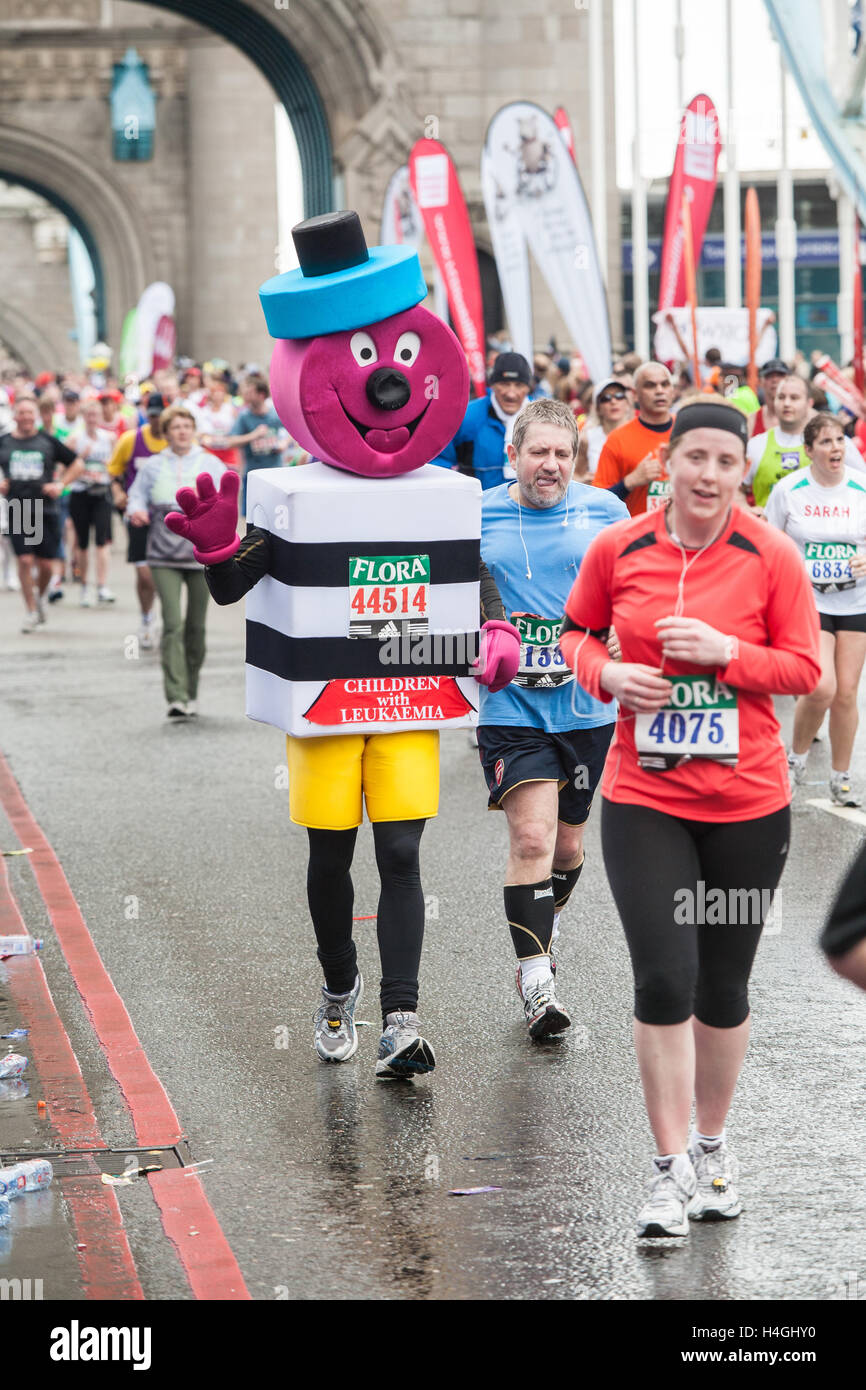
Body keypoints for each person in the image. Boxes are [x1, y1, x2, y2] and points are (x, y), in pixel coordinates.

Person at [561, 398, 821, 1238]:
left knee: (722, 983)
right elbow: (575, 634)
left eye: (724, 461)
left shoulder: (771, 555)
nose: (708, 475)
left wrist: (730, 656)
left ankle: (714, 1148)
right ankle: (668, 1170)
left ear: (743, 470)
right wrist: (606, 677)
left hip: (749, 805)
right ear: (664, 461)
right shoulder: (618, 547)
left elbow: (807, 669)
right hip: (646, 801)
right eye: (693, 458)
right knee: (665, 978)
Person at [478, 398, 627, 1037]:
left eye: (562, 453)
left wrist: (625, 632)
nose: (551, 464)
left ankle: (544, 920)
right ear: (513, 454)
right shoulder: (477, 512)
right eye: (538, 451)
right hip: (510, 703)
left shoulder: (606, 511)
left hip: (587, 706)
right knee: (533, 839)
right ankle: (539, 985)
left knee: (568, 844)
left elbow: (634, 585)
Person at [766, 412, 866, 806]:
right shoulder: (791, 490)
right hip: (809, 599)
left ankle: (841, 778)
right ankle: (796, 760)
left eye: (840, 440)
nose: (835, 448)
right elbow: (769, 543)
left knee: (846, 693)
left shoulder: (861, 487)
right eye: (825, 442)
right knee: (821, 686)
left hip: (856, 600)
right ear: (808, 451)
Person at [126, 405, 225, 718]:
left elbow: (227, 499)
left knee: (196, 626)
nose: (182, 431)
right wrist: (136, 510)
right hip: (163, 552)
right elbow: (136, 495)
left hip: (201, 554)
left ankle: (192, 690)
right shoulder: (154, 465)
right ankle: (176, 696)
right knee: (172, 624)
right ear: (166, 433)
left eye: (186, 426)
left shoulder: (210, 462)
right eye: (176, 427)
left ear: (193, 430)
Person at [0, 396, 83, 632]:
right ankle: (30, 610)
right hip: (19, 508)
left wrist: (60, 485)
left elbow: (77, 464)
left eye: (30, 413)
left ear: (35, 416)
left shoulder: (47, 441)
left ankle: (40, 595)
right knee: (25, 560)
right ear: (14, 416)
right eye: (21, 412)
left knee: (46, 565)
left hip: (44, 508)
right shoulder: (4, 442)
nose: (26, 417)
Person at [743, 374, 865, 509]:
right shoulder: (756, 445)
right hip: (768, 528)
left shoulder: (838, 443)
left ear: (809, 403)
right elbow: (736, 489)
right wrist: (747, 508)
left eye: (794, 398)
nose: (787, 403)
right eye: (781, 397)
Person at [108, 392, 168, 649]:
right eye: (151, 415)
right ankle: (147, 618)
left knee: (161, 572)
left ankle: (164, 620)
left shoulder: (174, 441)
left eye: (159, 415)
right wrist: (119, 493)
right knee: (145, 575)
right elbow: (113, 472)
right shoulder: (130, 440)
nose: (155, 420)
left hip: (168, 517)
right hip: (138, 515)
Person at [431, 352, 538, 489]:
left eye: (518, 385)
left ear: (528, 388)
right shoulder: (467, 417)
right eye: (504, 384)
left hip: (526, 508)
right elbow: (439, 460)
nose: (511, 393)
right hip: (477, 505)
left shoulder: (541, 421)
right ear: (492, 385)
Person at [593, 361, 674, 515]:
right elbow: (598, 502)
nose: (659, 391)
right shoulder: (617, 440)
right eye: (650, 385)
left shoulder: (687, 431)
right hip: (639, 535)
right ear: (635, 395)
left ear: (673, 390)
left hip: (683, 534)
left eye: (665, 384)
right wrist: (630, 482)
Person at [210, 373, 296, 514]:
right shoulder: (244, 416)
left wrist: (284, 443)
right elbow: (230, 442)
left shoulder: (275, 414)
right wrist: (253, 435)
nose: (244, 395)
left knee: (275, 512)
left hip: (276, 472)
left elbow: (294, 431)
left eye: (249, 392)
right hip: (252, 474)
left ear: (261, 395)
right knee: (252, 515)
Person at [67, 398, 116, 606]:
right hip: (80, 493)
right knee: (83, 542)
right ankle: (85, 587)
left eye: (95, 415)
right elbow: (65, 470)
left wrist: (109, 468)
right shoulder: (74, 440)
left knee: (102, 540)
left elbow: (116, 466)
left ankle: (102, 586)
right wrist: (80, 459)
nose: (92, 419)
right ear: (83, 417)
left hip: (102, 493)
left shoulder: (110, 438)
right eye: (88, 415)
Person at [575, 377, 633, 480]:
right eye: (606, 398)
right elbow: (577, 475)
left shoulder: (637, 433)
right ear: (597, 408)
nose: (613, 401)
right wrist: (584, 481)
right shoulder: (587, 438)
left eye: (619, 396)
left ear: (627, 403)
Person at [749, 359, 789, 439]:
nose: (775, 380)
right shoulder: (752, 420)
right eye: (769, 376)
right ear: (761, 382)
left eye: (780, 375)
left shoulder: (803, 417)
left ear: (788, 380)